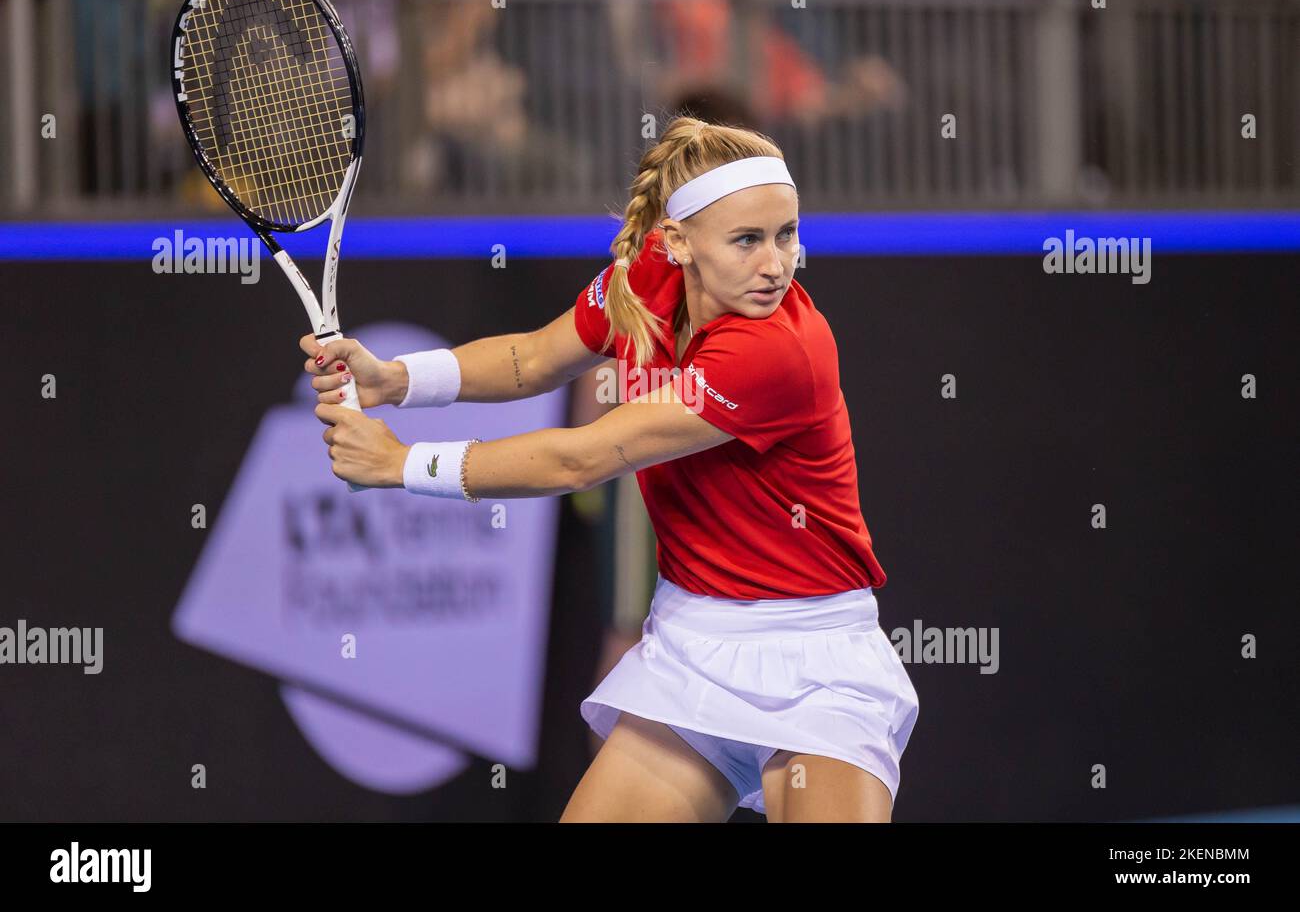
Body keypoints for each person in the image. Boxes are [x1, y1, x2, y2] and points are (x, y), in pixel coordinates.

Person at [298, 116, 919, 822]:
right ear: (677, 242)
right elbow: (531, 359)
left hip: (818, 667)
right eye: (747, 240)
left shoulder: (779, 352)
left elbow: (581, 457)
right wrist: (395, 380)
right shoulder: (644, 280)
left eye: (787, 235)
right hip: (693, 651)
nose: (776, 263)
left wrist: (400, 463)